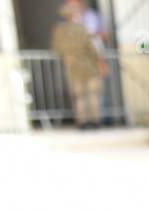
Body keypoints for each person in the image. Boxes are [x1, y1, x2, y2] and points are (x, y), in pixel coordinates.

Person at [51, 2, 107, 131]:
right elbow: (92, 48)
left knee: (79, 97)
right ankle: (95, 122)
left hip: (72, 68)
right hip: (89, 67)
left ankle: (83, 123)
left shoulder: (59, 31)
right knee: (93, 95)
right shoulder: (81, 29)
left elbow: (57, 49)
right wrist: (99, 62)